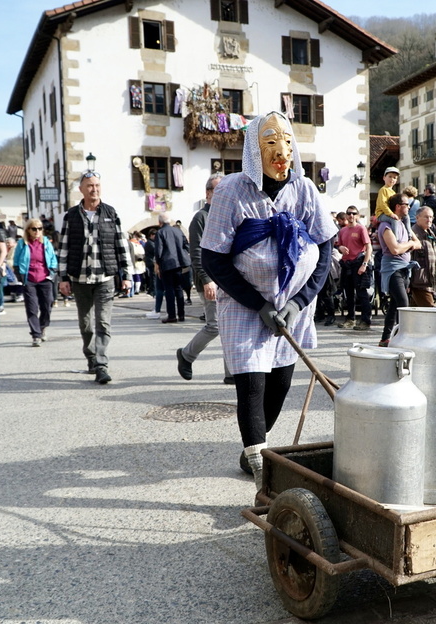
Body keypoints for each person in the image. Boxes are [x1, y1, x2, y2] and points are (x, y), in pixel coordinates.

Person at [200, 111, 337, 493]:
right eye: (271, 142)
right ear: (253, 150)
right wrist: (257, 304)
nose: (282, 152)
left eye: (287, 142)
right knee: (253, 387)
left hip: (292, 306)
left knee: (279, 385)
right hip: (246, 307)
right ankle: (263, 474)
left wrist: (299, 302)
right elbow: (213, 256)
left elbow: (324, 246)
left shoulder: (304, 188)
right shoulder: (231, 190)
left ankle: (252, 448)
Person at [57, 170, 134, 385]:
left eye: (97, 185)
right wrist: (62, 277)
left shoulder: (110, 213)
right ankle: (91, 357)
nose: (94, 189)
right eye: (90, 186)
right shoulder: (71, 216)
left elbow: (121, 245)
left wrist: (126, 274)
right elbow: (63, 248)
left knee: (103, 323)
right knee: (86, 324)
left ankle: (101, 364)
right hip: (79, 278)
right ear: (81, 189)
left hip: (104, 278)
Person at [176, 173, 232, 383]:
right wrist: (207, 279)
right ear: (208, 193)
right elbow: (197, 252)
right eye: (219, 190)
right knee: (215, 325)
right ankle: (186, 355)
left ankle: (232, 373)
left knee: (229, 324)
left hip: (228, 280)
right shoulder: (201, 217)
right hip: (209, 281)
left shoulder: (227, 214)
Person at [377, 193, 421, 346]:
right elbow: (395, 249)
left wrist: (408, 244)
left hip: (404, 269)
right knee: (403, 302)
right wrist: (409, 245)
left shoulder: (404, 223)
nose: (409, 207)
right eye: (406, 204)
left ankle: (385, 338)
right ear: (397, 206)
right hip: (392, 269)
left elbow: (419, 243)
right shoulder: (386, 226)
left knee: (394, 305)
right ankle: (402, 338)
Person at [13, 218, 58, 347]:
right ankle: (36, 335)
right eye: (34, 229)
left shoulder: (46, 243)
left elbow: (53, 260)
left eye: (39, 228)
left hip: (45, 278)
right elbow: (16, 261)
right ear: (28, 230)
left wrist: (52, 273)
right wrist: (20, 276)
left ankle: (42, 326)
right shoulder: (22, 243)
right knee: (32, 308)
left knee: (47, 306)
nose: (37, 231)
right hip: (29, 279)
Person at [336, 205, 373, 330]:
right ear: (346, 215)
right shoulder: (342, 231)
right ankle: (351, 319)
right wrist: (340, 248)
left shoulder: (361, 229)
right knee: (349, 294)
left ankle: (365, 320)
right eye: (349, 213)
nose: (351, 215)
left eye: (353, 213)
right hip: (346, 265)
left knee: (362, 293)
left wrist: (364, 264)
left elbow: (368, 248)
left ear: (357, 215)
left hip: (358, 263)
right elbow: (339, 246)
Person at [152, 212, 190, 323]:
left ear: (160, 222)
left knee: (169, 290)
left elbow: (158, 250)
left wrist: (157, 264)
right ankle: (181, 315)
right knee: (178, 289)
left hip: (167, 264)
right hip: (179, 263)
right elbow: (186, 245)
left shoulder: (160, 232)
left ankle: (172, 315)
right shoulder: (178, 230)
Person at [410, 206, 436, 307]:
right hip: (420, 282)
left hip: (430, 281)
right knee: (431, 312)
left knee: (415, 315)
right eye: (426, 217)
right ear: (417, 218)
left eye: (431, 217)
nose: (429, 220)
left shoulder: (431, 233)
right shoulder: (413, 234)